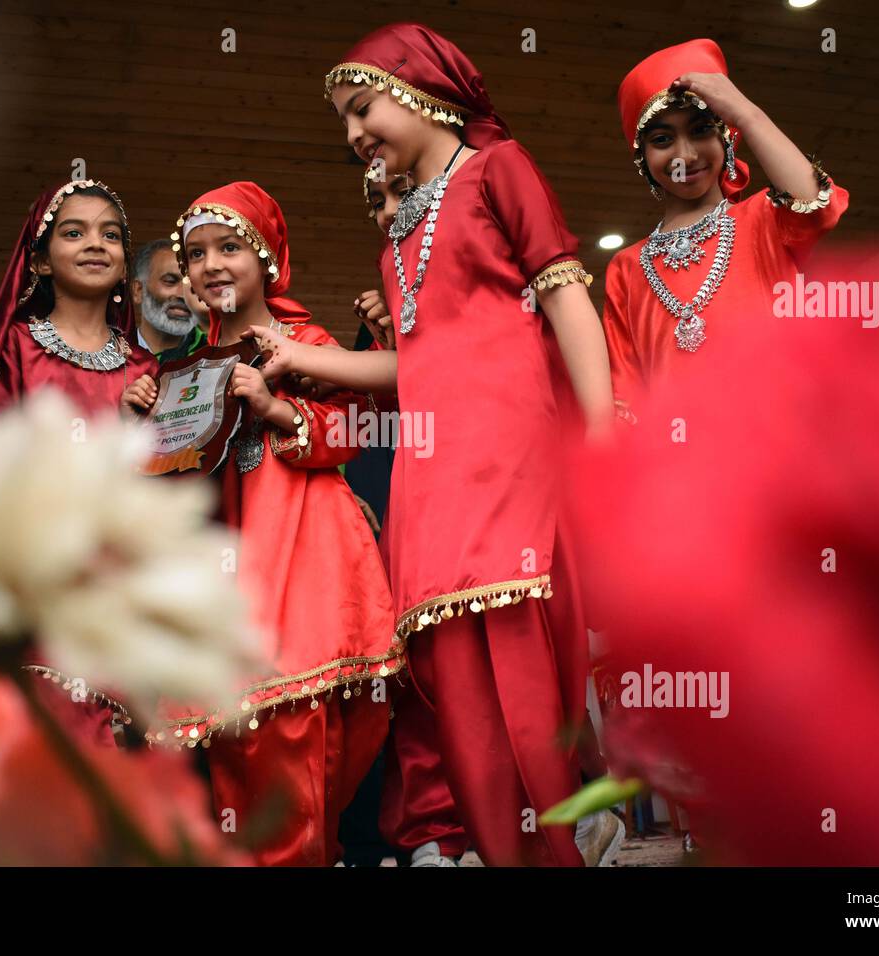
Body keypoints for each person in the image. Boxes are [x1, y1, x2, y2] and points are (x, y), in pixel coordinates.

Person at [250, 23, 615, 866]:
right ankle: (500, 847)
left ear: (419, 91)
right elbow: (418, 363)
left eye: (362, 107)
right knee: (453, 678)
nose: (354, 135)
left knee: (521, 655)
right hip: (431, 467)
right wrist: (301, 355)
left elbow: (565, 298)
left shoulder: (499, 169)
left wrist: (603, 442)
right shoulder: (396, 242)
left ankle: (562, 845)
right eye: (344, 121)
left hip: (509, 447)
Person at [123, 182, 400, 866]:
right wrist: (142, 425)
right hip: (224, 560)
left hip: (301, 547)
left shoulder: (302, 340)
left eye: (229, 248)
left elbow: (355, 428)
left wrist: (277, 410)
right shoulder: (181, 368)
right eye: (195, 255)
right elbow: (166, 482)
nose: (211, 265)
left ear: (267, 258)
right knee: (231, 728)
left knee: (294, 719)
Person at [601, 38, 849, 423]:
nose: (686, 155)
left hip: (779, 446)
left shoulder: (764, 218)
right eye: (662, 139)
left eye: (701, 130)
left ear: (727, 137)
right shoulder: (627, 267)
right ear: (642, 157)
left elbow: (818, 206)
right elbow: (626, 394)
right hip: (681, 468)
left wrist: (748, 115)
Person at [0, 180, 157, 416]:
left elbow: (160, 451)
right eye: (74, 233)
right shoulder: (15, 346)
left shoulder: (143, 368)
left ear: (124, 270)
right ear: (41, 262)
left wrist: (128, 427)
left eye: (110, 235)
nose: (96, 244)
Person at [130, 237, 208, 364]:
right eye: (170, 281)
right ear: (138, 290)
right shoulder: (113, 355)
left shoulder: (214, 356)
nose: (183, 295)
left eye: (193, 285)